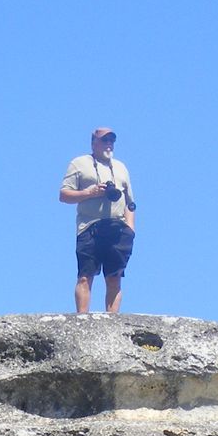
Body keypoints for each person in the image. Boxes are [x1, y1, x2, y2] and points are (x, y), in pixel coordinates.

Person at [60, 127, 136, 313]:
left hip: (118, 228)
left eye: (111, 141)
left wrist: (130, 228)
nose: (109, 144)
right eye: (105, 140)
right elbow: (64, 195)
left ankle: (112, 320)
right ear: (94, 143)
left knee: (114, 277)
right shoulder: (79, 164)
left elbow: (130, 203)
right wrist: (90, 193)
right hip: (89, 227)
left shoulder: (120, 167)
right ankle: (82, 319)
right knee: (85, 276)